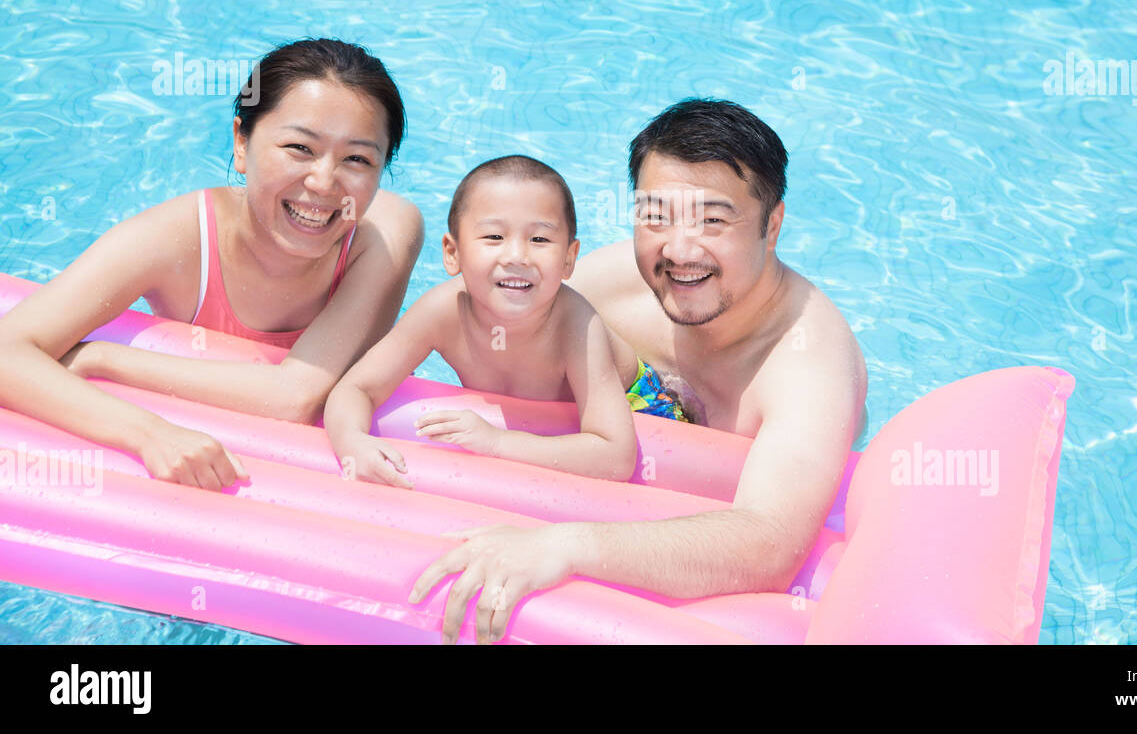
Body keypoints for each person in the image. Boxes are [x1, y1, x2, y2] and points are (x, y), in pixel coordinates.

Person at [408, 98, 868, 644]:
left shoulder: (809, 361)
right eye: (656, 217)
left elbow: (768, 547)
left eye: (713, 221)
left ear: (772, 225)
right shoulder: (608, 291)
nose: (680, 250)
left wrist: (566, 546)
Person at [0, 38, 425, 491]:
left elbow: (294, 397)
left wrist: (101, 358)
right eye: (300, 148)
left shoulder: (386, 234)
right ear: (242, 142)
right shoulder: (176, 239)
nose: (323, 183)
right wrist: (148, 433)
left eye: (357, 159)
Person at [326, 155, 661, 485]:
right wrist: (352, 442)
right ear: (453, 253)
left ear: (569, 259)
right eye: (494, 237)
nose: (516, 256)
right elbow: (357, 387)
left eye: (540, 239)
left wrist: (498, 442)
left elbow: (616, 457)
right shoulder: (442, 312)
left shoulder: (576, 325)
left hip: (637, 402)